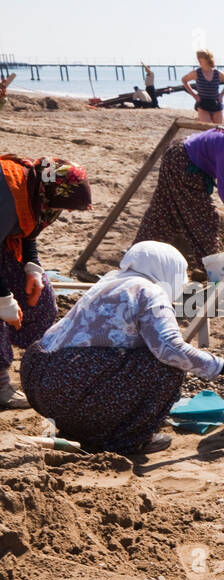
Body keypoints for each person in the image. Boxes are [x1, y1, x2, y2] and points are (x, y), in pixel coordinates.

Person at [21, 241, 224, 455]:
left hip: (41, 378)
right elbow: (170, 348)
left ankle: (84, 426)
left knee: (146, 357)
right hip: (71, 388)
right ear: (167, 268)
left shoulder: (112, 280)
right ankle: (127, 440)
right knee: (165, 366)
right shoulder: (149, 292)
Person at [0, 155, 92, 409]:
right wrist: (4, 298)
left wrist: (32, 267)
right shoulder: (8, 192)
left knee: (42, 299)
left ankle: (39, 370)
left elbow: (28, 227)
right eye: (67, 205)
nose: (67, 212)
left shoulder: (37, 186)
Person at [134, 119, 224, 271]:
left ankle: (136, 255)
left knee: (162, 210)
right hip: (183, 163)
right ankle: (217, 273)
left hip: (182, 157)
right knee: (204, 220)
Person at [183, 50, 224, 124]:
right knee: (207, 129)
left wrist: (221, 95)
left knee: (218, 129)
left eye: (201, 57)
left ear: (208, 59)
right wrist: (194, 95)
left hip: (216, 103)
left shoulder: (217, 73)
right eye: (198, 58)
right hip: (202, 103)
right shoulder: (196, 73)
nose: (198, 60)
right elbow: (184, 80)